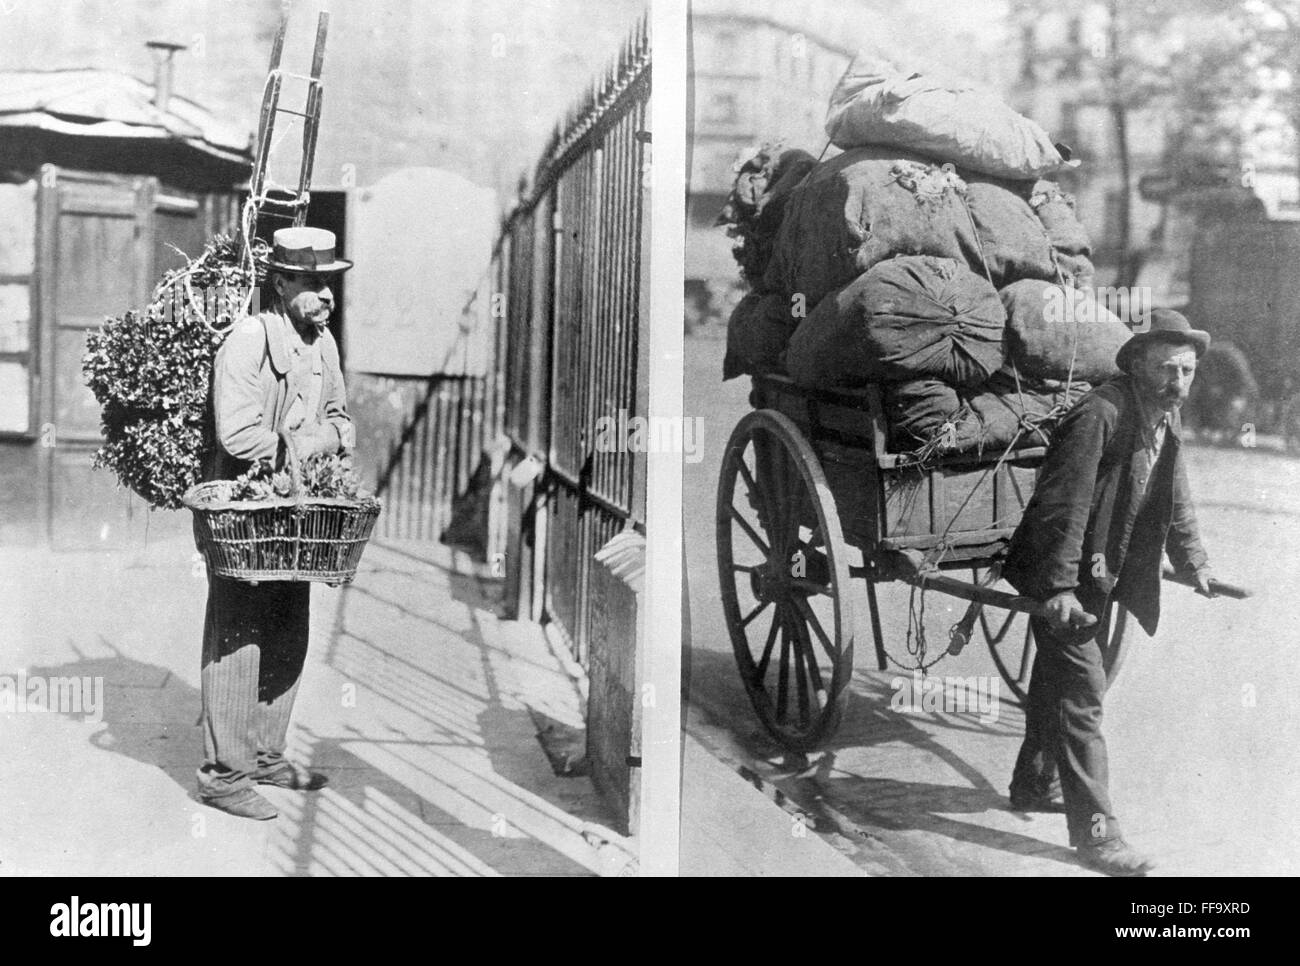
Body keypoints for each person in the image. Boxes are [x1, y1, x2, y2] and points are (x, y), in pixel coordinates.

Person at [1001, 308, 1217, 877]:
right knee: (1083, 693)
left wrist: (1194, 564)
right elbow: (1061, 505)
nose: (1179, 383)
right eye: (1168, 370)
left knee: (1059, 677)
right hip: (1064, 574)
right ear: (1138, 364)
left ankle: (1032, 784)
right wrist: (1057, 589)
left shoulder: (1163, 417)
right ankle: (1097, 836)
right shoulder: (1100, 414)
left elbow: (1176, 495)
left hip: (1100, 574)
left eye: (1188, 372)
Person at [197, 226, 355, 820]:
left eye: (330, 282)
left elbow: (343, 420)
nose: (326, 294)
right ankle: (225, 776)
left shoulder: (322, 343)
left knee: (290, 623)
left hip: (297, 510)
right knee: (240, 632)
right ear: (281, 281)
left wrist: (321, 440)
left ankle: (265, 754)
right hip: (243, 509)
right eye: (314, 282)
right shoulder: (248, 339)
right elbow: (237, 435)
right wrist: (309, 444)